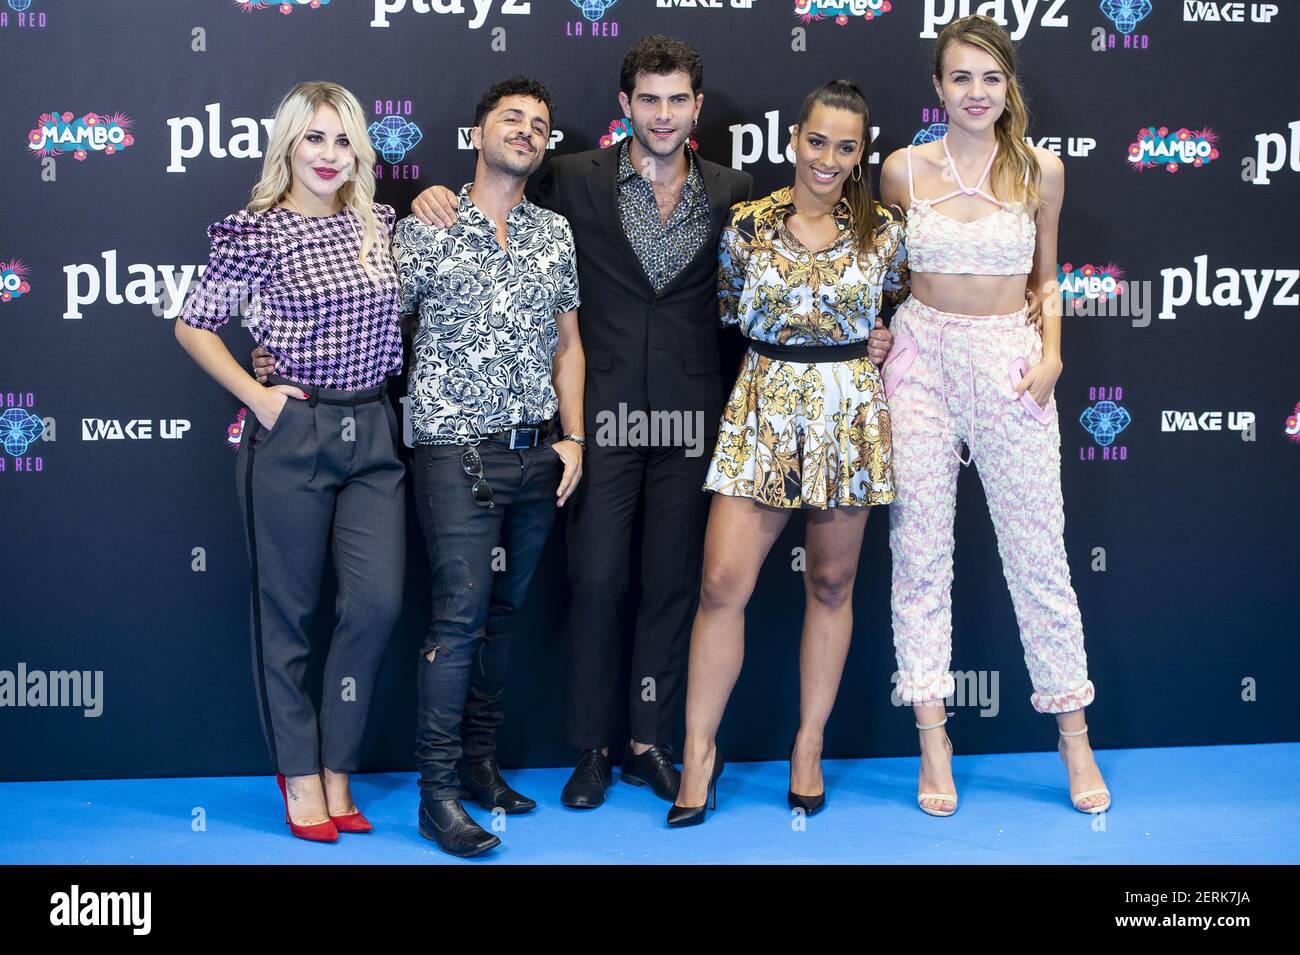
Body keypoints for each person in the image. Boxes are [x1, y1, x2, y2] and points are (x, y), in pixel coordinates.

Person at [412, 35, 753, 811]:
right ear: (624, 107)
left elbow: (776, 282)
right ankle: (593, 748)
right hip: (600, 420)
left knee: (670, 585)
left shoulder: (735, 191)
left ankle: (648, 742)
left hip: (691, 420)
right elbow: (497, 192)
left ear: (696, 109)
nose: (662, 115)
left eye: (678, 101)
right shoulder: (571, 178)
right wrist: (434, 198)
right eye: (648, 99)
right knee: (596, 581)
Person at [877, 14, 1111, 816]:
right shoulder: (902, 170)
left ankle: (1075, 735)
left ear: (1008, 86)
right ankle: (932, 736)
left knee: (1039, 550)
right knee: (919, 549)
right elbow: (882, 271)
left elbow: (1049, 275)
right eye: (960, 77)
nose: (975, 93)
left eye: (990, 77)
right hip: (920, 362)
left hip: (1010, 364)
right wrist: (877, 335)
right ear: (937, 87)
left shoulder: (1041, 172)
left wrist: (1051, 353)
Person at [175, 81, 406, 842]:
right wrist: (260, 396)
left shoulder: (377, 222)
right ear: (288, 146)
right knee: (289, 618)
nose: (329, 155)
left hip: (373, 430)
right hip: (293, 434)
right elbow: (194, 325)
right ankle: (301, 777)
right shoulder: (257, 232)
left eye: (343, 140)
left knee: (374, 605)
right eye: (314, 138)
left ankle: (340, 765)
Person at [669, 80, 902, 827]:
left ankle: (809, 747)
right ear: (793, 139)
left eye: (845, 145)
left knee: (832, 582)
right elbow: (731, 310)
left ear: (859, 152)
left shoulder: (886, 228)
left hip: (848, 409)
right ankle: (699, 752)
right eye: (816, 140)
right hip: (764, 402)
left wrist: (880, 338)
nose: (827, 158)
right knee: (719, 583)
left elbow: (898, 306)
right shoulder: (747, 223)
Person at [395, 76, 584, 857]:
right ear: (478, 133)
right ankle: (434, 793)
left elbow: (568, 345)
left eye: (540, 123)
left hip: (537, 450)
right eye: (512, 118)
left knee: (503, 619)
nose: (527, 130)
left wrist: (573, 437)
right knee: (458, 618)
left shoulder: (554, 233)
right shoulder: (427, 225)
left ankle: (480, 765)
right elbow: (372, 323)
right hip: (452, 448)